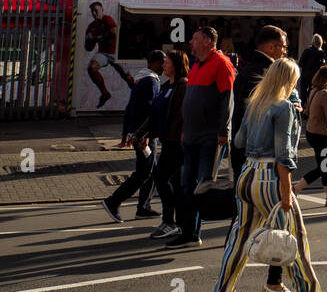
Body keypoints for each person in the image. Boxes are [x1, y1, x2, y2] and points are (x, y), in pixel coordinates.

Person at [202, 57, 325, 292]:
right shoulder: (285, 109)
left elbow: (239, 141)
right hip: (271, 177)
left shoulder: (255, 104)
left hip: (247, 174)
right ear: (289, 80)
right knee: (295, 243)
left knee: (237, 244)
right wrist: (285, 191)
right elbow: (285, 155)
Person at [229, 24, 294, 292]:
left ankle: (227, 287)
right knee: (283, 226)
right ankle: (275, 284)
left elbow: (240, 135)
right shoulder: (266, 74)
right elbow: (277, 144)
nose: (284, 51)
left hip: (245, 163)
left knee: (241, 228)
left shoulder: (245, 69)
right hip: (264, 167)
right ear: (270, 47)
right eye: (282, 46)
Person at [171, 26, 234, 248]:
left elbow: (228, 99)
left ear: (207, 41)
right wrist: (184, 130)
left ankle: (193, 232)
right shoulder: (197, 65)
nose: (190, 42)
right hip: (191, 135)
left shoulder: (222, 63)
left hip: (209, 137)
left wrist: (223, 131)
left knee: (202, 185)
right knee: (187, 184)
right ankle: (188, 231)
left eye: (195, 39)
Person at [100, 50, 165, 223]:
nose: (165, 66)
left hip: (138, 133)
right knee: (144, 173)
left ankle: (143, 207)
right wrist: (142, 134)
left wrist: (125, 133)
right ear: (156, 63)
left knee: (152, 171)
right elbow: (148, 111)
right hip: (145, 136)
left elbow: (130, 108)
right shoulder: (151, 82)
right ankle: (113, 201)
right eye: (163, 62)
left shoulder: (141, 80)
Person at [137, 49, 188, 238]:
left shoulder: (183, 86)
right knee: (175, 182)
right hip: (167, 140)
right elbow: (154, 114)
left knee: (160, 177)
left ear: (176, 64)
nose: (163, 64)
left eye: (167, 62)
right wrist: (141, 133)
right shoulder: (167, 86)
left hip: (177, 143)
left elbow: (184, 115)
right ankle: (180, 223)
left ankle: (169, 221)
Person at [295, 64, 327, 206]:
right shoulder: (324, 95)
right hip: (320, 134)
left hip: (311, 132)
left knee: (325, 166)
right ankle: (297, 188)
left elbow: (308, 111)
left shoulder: (313, 91)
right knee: (325, 166)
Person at [297, 33, 325, 101]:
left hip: (305, 74)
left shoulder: (307, 50)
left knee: (303, 92)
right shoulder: (321, 53)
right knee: (312, 92)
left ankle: (303, 107)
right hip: (315, 75)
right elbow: (322, 64)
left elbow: (300, 63)